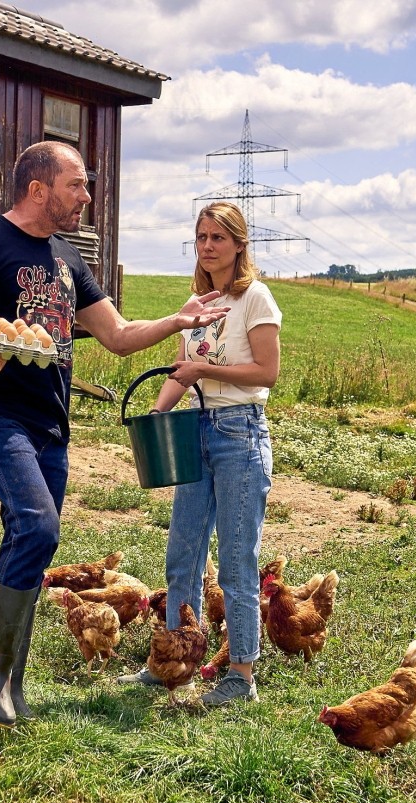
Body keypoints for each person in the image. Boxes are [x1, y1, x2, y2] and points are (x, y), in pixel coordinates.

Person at [0, 141, 230, 728]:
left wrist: (177, 319)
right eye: (77, 185)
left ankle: (11, 685)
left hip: (51, 423)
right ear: (38, 188)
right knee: (37, 525)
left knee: (36, 542)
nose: (86, 197)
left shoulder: (68, 258)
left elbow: (116, 334)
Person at [115, 201, 280, 708]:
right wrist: (154, 413)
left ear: (238, 244)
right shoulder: (196, 302)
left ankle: (240, 675)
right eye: (201, 237)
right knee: (182, 553)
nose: (208, 246)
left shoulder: (255, 298)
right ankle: (173, 659)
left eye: (218, 238)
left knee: (234, 560)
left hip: (240, 435)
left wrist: (203, 375)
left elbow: (265, 373)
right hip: (195, 430)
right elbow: (181, 369)